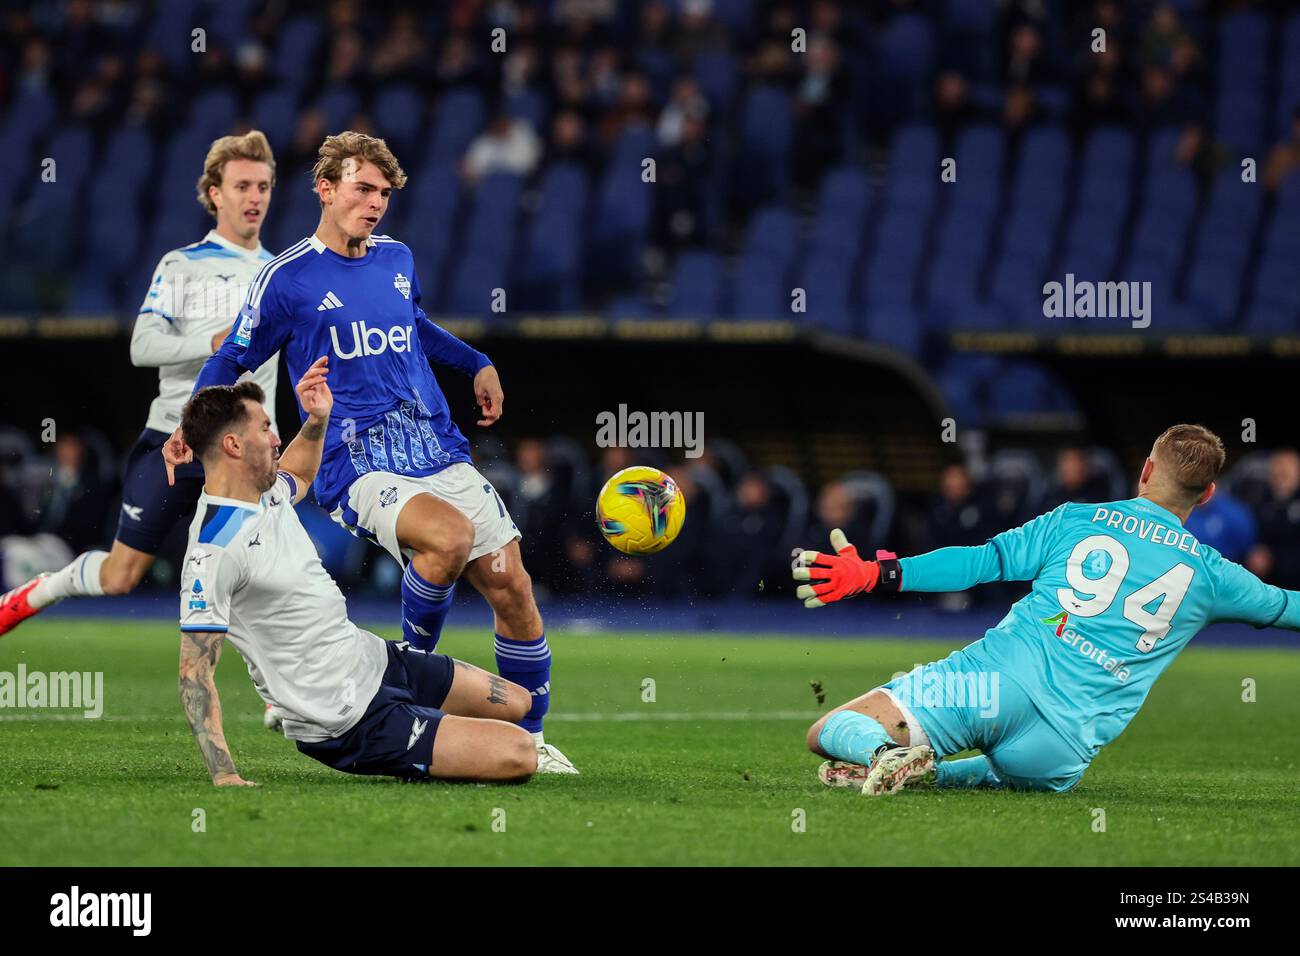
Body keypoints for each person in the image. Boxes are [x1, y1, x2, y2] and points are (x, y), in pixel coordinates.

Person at [163, 131, 576, 773]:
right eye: (362, 189)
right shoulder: (287, 280)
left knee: (511, 585)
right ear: (325, 189)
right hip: (358, 459)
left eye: (384, 193)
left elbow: (417, 328)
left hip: (435, 443)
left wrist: (477, 363)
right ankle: (405, 682)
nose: (376, 203)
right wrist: (191, 425)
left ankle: (540, 737)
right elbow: (230, 356)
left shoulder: (397, 258)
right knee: (448, 539)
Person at [793, 425, 1300, 796]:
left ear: (1145, 470)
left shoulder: (1075, 519)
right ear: (1208, 494)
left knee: (827, 731)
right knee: (1004, 771)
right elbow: (1287, 608)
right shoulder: (1214, 575)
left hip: (992, 687)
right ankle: (934, 771)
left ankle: (886, 755)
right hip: (1060, 749)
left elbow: (978, 564)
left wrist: (878, 573)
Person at [175, 370, 535, 786]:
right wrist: (225, 775)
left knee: (517, 702)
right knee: (519, 753)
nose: (276, 439)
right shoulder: (213, 549)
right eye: (266, 428)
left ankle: (431, 739)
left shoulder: (264, 492)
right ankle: (417, 743)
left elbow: (303, 474)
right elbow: (194, 674)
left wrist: (317, 420)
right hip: (345, 716)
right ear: (234, 445)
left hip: (372, 660)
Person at [1, 130, 280, 636]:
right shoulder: (181, 265)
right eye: (242, 186)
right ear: (215, 193)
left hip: (243, 454)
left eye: (262, 186)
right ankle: (35, 591)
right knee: (121, 574)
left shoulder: (281, 275)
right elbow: (141, 347)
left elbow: (273, 377)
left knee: (261, 579)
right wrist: (212, 343)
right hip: (171, 440)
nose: (254, 197)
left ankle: (281, 701)